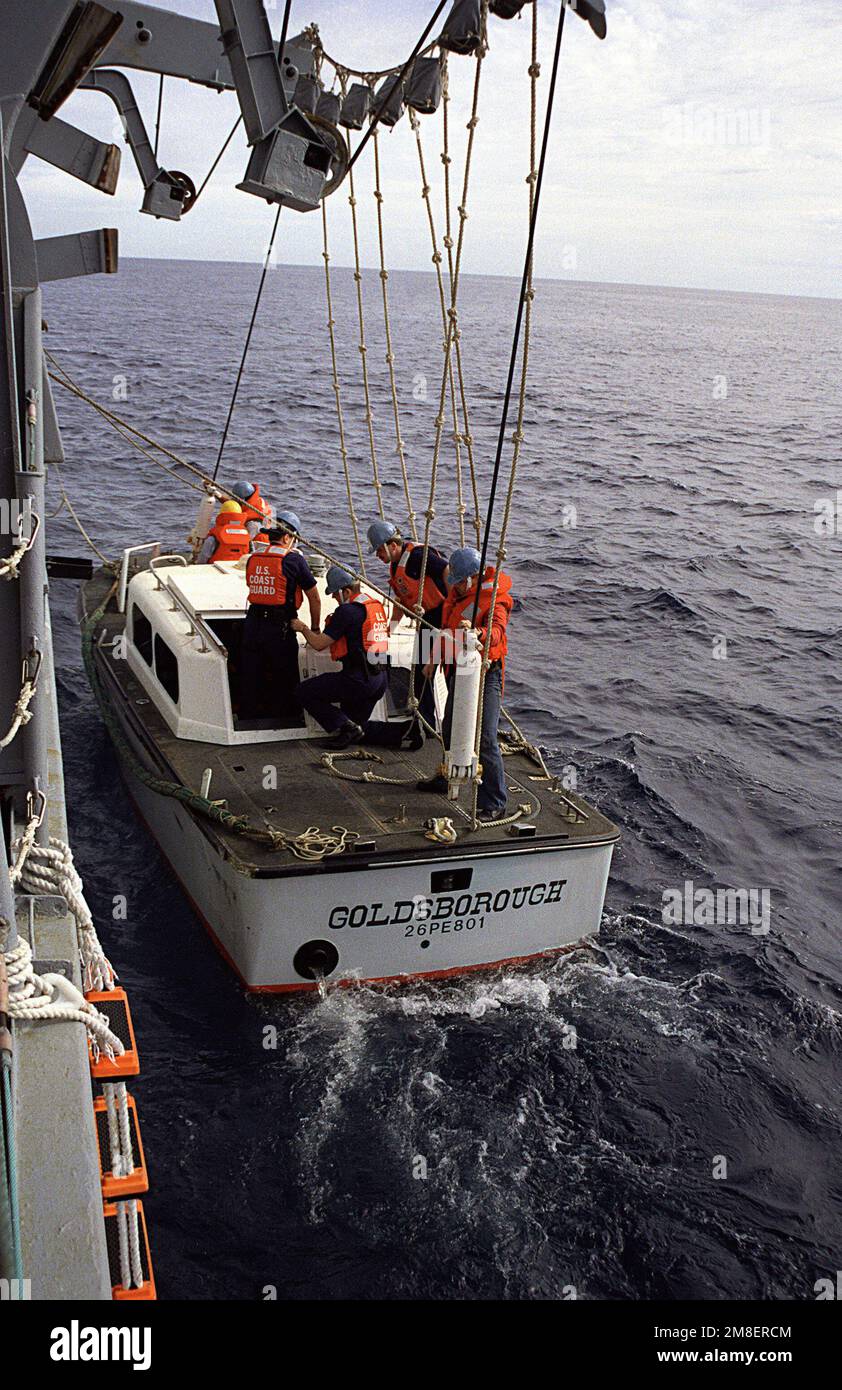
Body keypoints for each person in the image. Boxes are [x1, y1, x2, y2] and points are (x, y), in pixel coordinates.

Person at [416, 546, 513, 821]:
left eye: (458, 582)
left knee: (484, 737)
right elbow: (446, 630)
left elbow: (497, 631)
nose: (454, 587)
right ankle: (446, 776)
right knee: (448, 728)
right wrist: (432, 662)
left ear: (471, 578)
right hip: (458, 669)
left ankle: (494, 801)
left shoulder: (495, 598)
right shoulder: (459, 596)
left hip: (484, 673)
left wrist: (478, 632)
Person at [366, 518, 449, 741]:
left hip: (444, 620)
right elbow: (402, 603)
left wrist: (453, 610)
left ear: (392, 545)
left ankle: (448, 726)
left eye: (379, 551)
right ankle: (425, 724)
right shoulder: (397, 566)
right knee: (422, 672)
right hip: (427, 621)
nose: (378, 556)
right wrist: (389, 630)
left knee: (450, 673)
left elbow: (447, 571)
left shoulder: (418, 557)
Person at [293, 566, 389, 749]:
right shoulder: (375, 606)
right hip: (380, 680)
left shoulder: (347, 612)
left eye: (335, 595)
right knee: (359, 729)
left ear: (346, 591)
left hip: (358, 681)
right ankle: (407, 732)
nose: (335, 599)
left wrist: (303, 628)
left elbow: (319, 643)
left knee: (303, 692)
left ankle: (348, 728)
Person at [239, 512, 320, 721]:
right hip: (281, 627)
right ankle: (286, 717)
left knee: (252, 672)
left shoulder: (253, 558)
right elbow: (314, 598)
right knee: (284, 674)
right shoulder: (294, 560)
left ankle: (249, 715)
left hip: (253, 624)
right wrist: (314, 629)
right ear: (287, 537)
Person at [231, 479, 273, 544]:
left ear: (242, 500)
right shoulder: (257, 501)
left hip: (259, 540)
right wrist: (219, 496)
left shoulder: (252, 520)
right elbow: (233, 504)